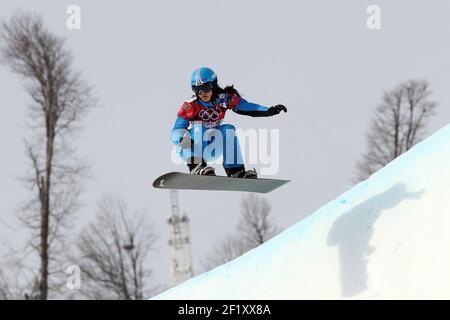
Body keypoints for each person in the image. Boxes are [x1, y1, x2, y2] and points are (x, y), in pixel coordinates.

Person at [171, 67, 287, 178]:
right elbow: (176, 130)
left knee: (228, 129)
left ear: (214, 85)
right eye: (197, 89)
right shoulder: (191, 105)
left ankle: (235, 170)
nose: (202, 93)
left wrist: (268, 111)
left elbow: (245, 107)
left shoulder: (224, 99)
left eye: (205, 87)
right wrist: (181, 138)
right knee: (198, 127)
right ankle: (196, 166)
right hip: (189, 147)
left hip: (212, 146)